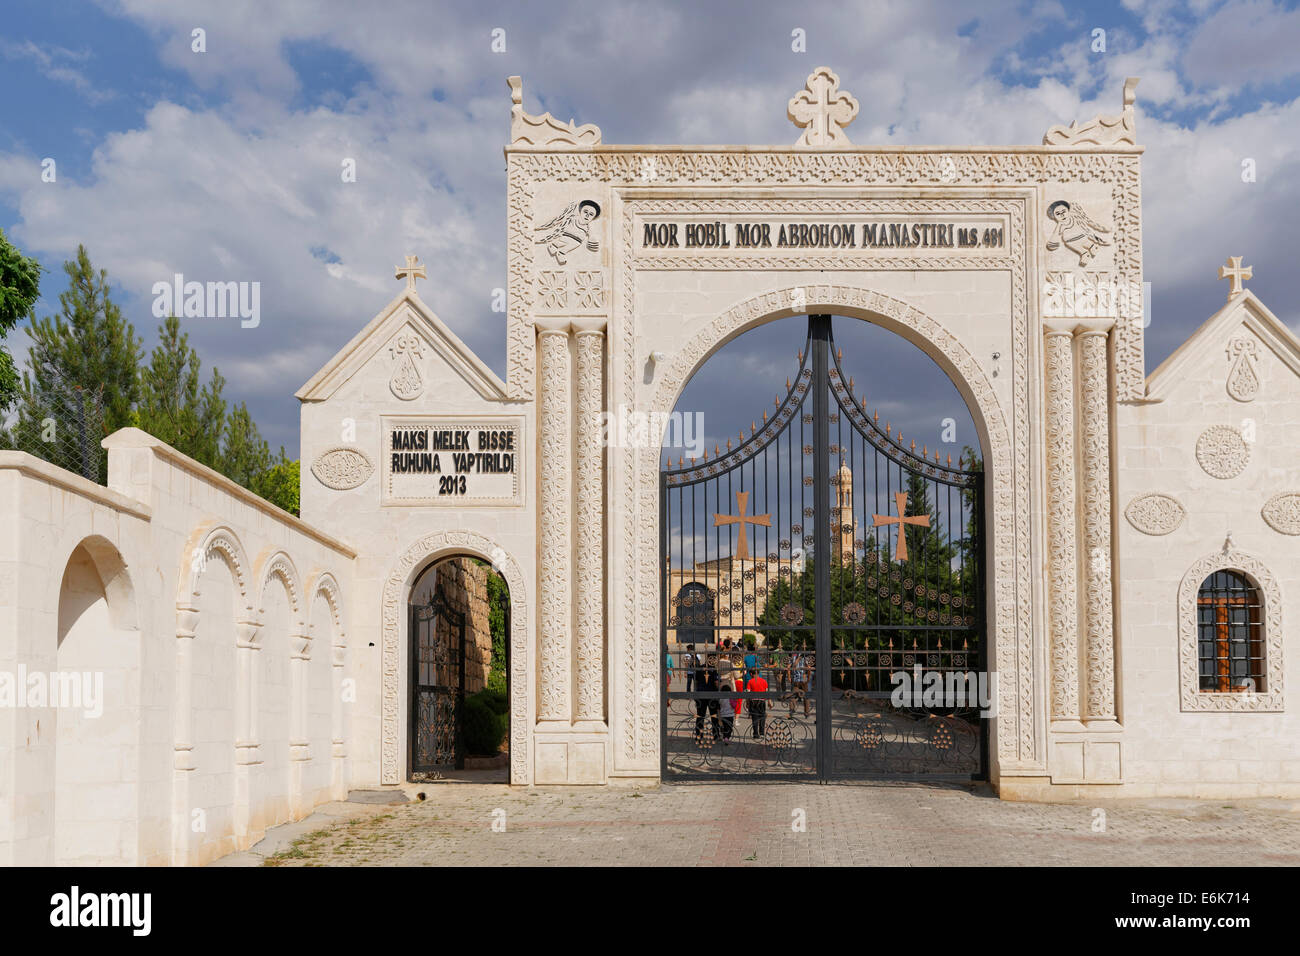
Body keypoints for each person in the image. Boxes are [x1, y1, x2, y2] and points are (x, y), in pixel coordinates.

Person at [745, 671, 768, 737]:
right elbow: (766, 692)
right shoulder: (764, 681)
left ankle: (755, 733)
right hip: (762, 701)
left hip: (753, 701)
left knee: (754, 718)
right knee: (762, 717)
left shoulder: (750, 681)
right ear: (758, 673)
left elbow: (748, 693)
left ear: (751, 674)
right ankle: (762, 733)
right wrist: (769, 702)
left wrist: (747, 703)